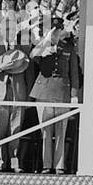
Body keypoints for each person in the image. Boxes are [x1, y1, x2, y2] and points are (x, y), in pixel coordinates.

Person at [29, 10, 81, 174]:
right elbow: (32, 56)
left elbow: (74, 72)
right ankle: (46, 165)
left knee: (61, 131)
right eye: (54, 29)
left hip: (63, 92)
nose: (57, 32)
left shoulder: (69, 47)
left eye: (59, 29)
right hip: (44, 91)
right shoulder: (42, 46)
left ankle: (59, 165)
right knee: (45, 131)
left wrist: (74, 94)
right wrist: (44, 48)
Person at [0, 18, 32, 172]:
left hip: (18, 94)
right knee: (0, 129)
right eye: (6, 30)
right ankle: (0, 162)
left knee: (16, 129)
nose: (9, 33)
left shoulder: (23, 48)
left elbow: (29, 74)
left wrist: (29, 95)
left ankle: (15, 162)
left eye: (12, 30)